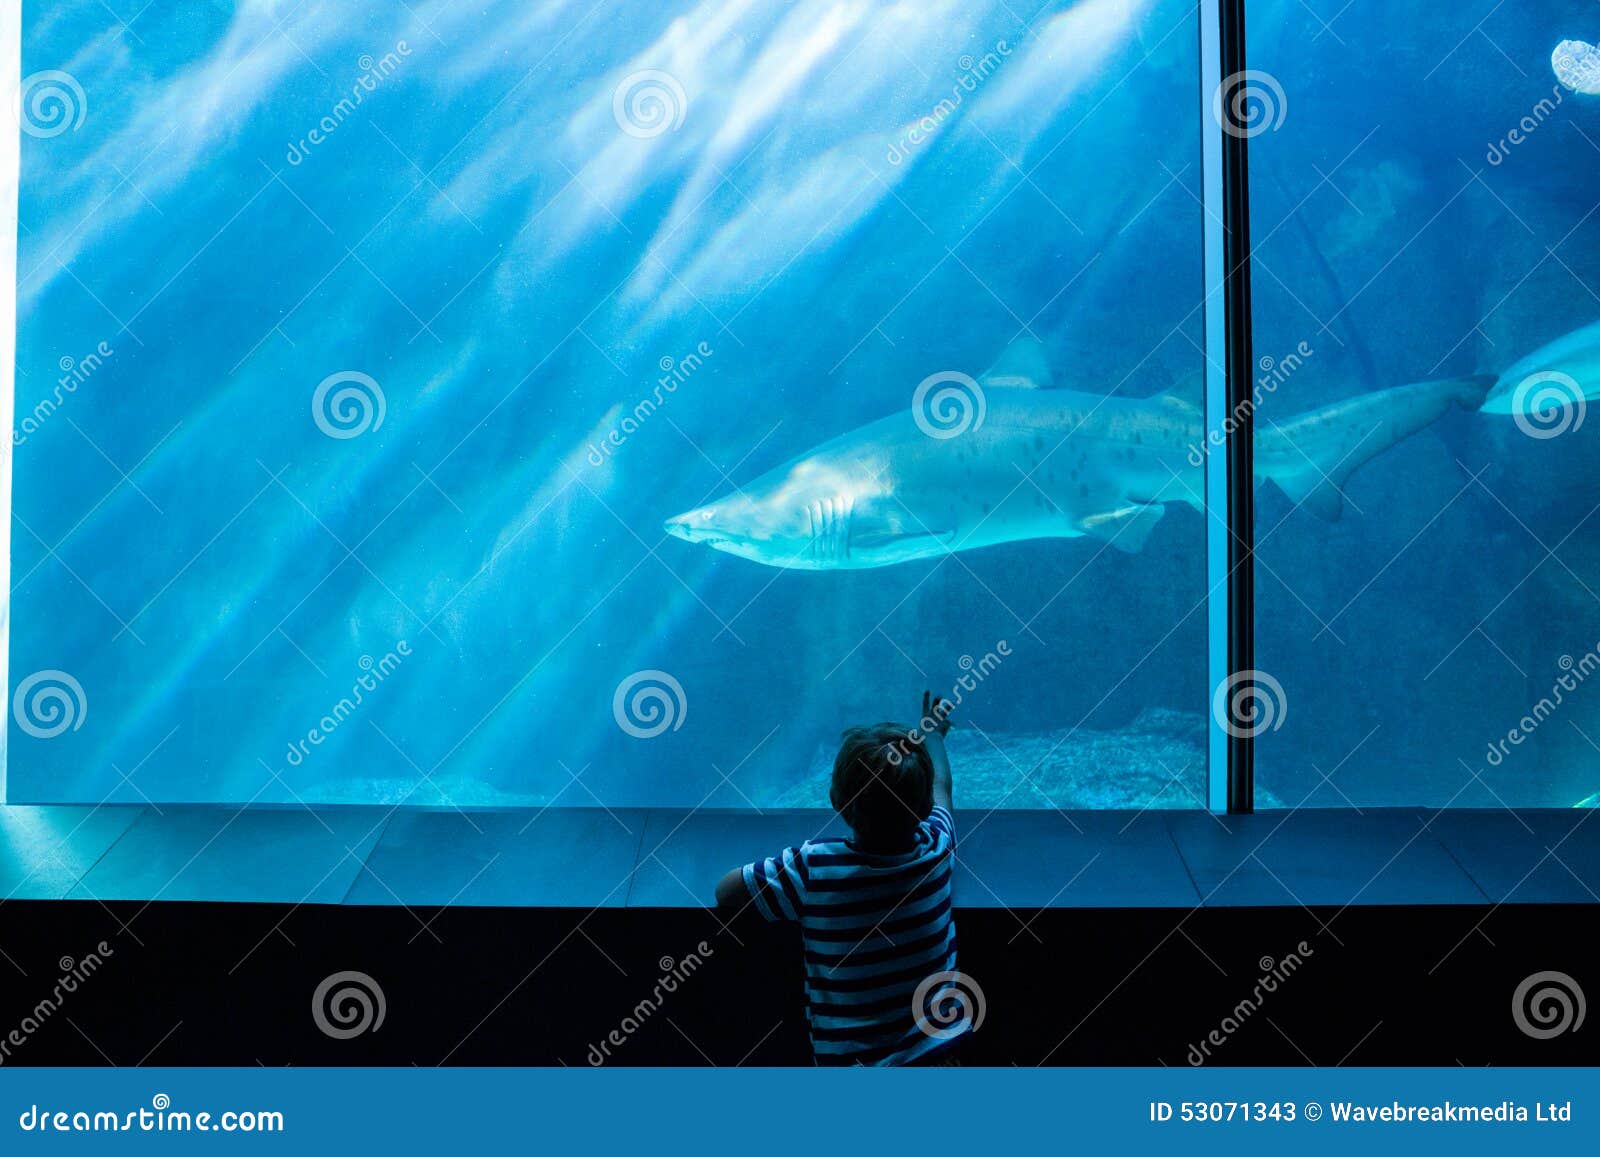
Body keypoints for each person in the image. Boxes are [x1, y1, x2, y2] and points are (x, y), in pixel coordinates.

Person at [714, 692, 968, 1065]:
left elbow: (726, 891)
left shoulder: (813, 868)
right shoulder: (937, 848)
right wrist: (932, 733)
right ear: (924, 807)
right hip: (939, 1057)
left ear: (837, 801)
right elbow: (942, 787)